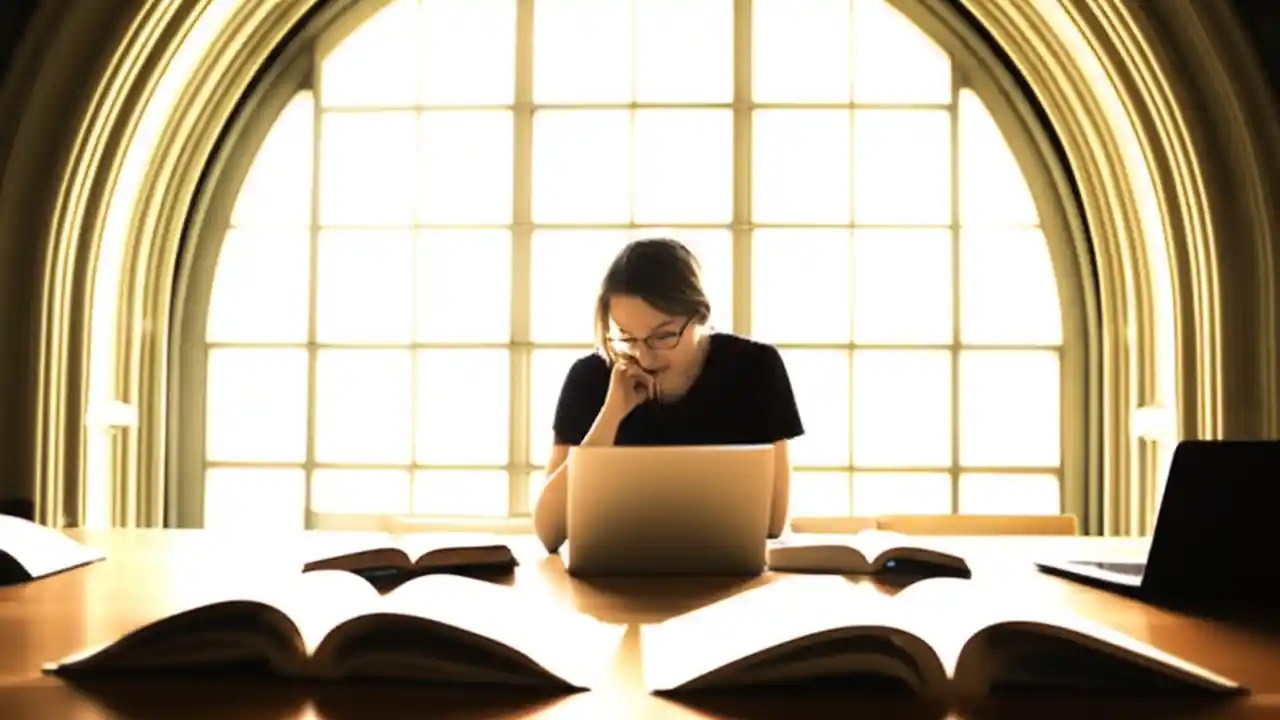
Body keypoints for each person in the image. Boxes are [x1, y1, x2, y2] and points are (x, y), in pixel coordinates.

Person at [532, 237, 805, 553]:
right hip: (613, 578)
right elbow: (549, 532)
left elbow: (772, 523)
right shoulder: (589, 377)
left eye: (662, 336)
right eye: (626, 338)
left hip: (731, 576)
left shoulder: (755, 368)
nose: (645, 358)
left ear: (700, 316)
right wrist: (610, 415)